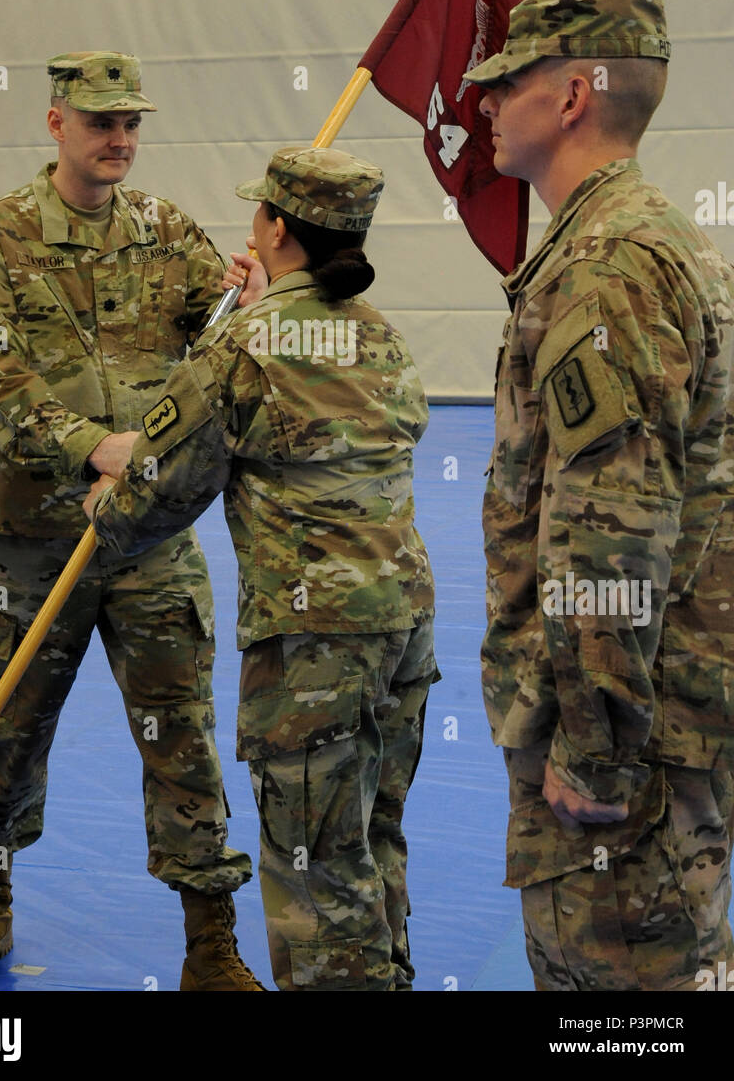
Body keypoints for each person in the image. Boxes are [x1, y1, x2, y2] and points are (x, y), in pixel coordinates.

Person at [0, 51, 262, 992]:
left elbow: (226, 339)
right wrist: (92, 445)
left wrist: (256, 288)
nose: (118, 140)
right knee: (4, 726)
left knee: (182, 731)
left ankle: (210, 940)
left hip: (147, 535)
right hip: (28, 535)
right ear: (56, 125)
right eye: (99, 123)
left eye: (130, 124)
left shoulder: (167, 229)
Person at [83, 145, 439, 992]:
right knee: (373, 836)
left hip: (312, 641)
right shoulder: (377, 333)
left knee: (314, 865)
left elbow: (160, 496)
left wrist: (108, 503)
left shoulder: (242, 347)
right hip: (406, 628)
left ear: (276, 228)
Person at [464, 0, 734, 991]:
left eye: (507, 83)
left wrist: (595, 745)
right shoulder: (655, 238)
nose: (484, 103)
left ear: (574, 94)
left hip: (630, 749)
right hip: (677, 707)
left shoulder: (607, 262)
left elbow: (613, 530)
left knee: (623, 991)